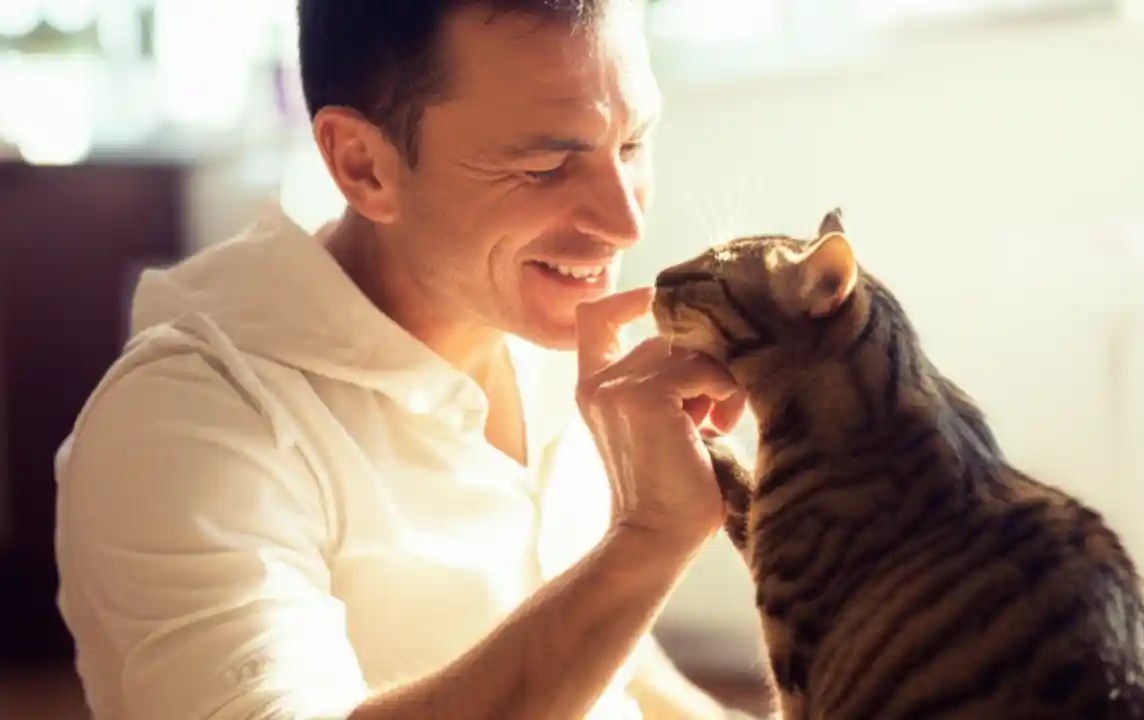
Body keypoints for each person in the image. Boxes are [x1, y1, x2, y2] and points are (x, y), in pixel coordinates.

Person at [54, 1, 748, 718]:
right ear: (364, 166)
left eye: (633, 146)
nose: (624, 222)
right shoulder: (186, 424)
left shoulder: (537, 338)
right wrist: (645, 543)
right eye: (545, 166)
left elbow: (621, 673)